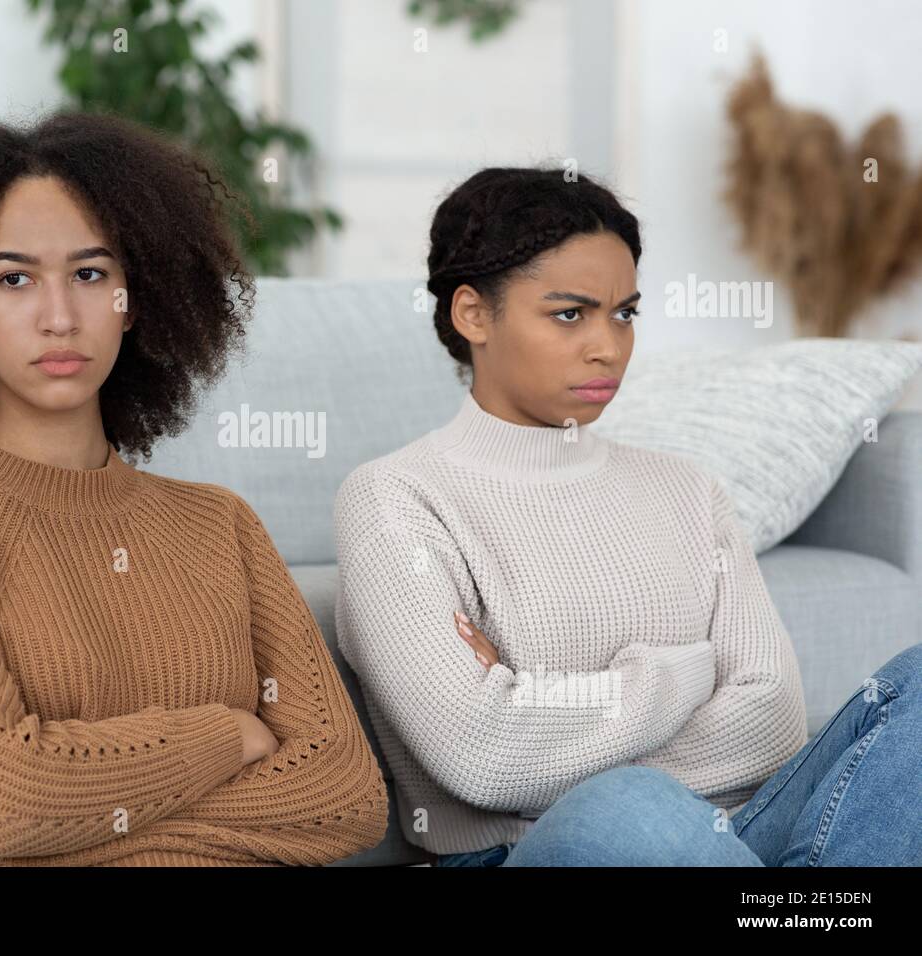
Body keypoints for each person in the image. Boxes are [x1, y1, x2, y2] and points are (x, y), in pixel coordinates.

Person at [0, 109, 388, 866]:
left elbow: (344, 797)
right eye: (15, 278)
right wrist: (226, 735)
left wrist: (91, 813)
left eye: (91, 275)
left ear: (139, 300)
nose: (60, 317)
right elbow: (6, 802)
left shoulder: (219, 524)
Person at [333, 165, 922, 866]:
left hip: (738, 834)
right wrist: (683, 673)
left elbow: (771, 723)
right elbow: (479, 754)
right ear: (473, 314)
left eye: (624, 313)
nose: (608, 346)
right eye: (568, 313)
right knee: (628, 808)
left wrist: (548, 716)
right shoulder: (396, 498)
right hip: (535, 852)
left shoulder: (687, 489)